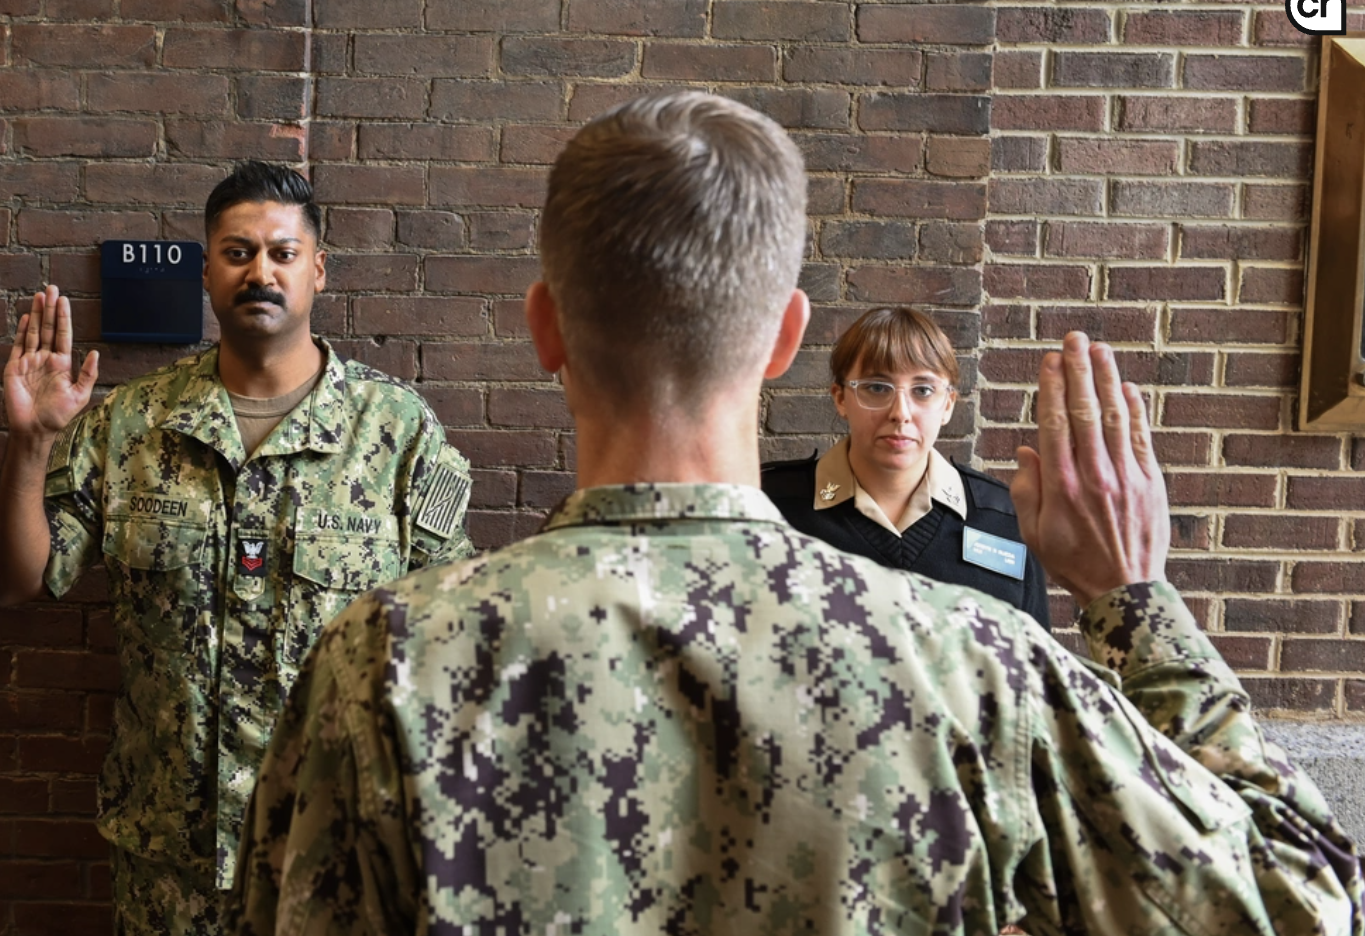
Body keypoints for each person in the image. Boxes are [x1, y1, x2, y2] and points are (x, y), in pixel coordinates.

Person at [228, 94, 1363, 935]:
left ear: (544, 329)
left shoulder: (381, 666)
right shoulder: (969, 672)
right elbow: (1305, 901)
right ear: (784, 338)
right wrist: (1133, 604)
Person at [0, 161, 474, 935]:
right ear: (207, 271)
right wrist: (29, 445)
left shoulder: (396, 434)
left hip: (335, 847)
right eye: (238, 251)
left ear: (318, 270)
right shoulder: (132, 423)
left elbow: (444, 633)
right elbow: (20, 580)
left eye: (283, 253)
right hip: (168, 856)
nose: (261, 271)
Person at [763, 306, 1050, 627]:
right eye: (876, 388)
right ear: (841, 398)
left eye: (923, 391)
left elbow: (1035, 672)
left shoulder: (1006, 522)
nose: (900, 413)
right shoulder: (768, 509)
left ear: (948, 405)